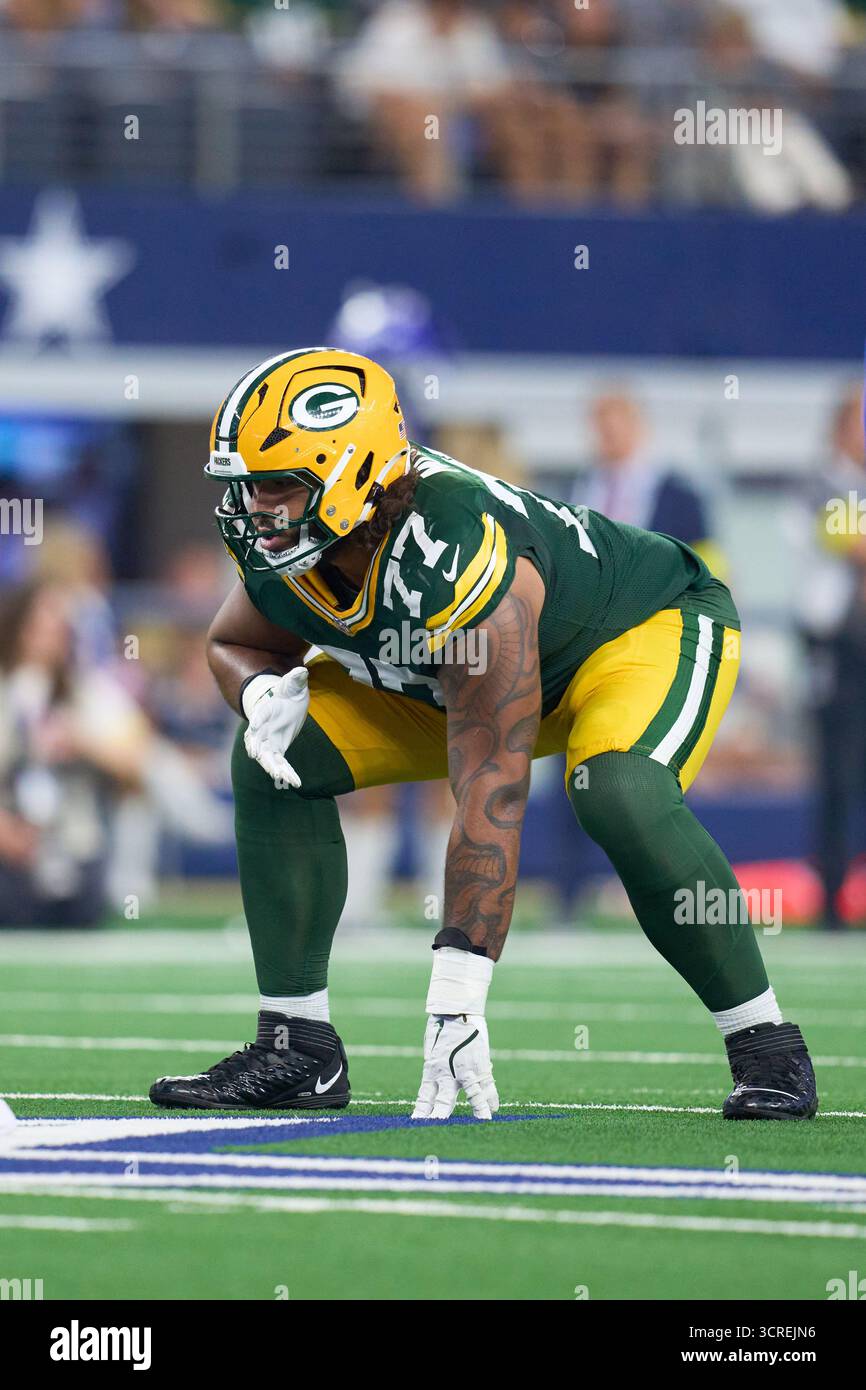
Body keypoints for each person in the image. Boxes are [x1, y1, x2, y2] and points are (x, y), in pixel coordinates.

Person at [150, 347, 818, 1121]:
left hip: (630, 635)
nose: (253, 507)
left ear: (350, 474)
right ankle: (297, 1048)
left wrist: (458, 997)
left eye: (275, 484)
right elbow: (235, 642)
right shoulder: (295, 538)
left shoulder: (455, 549)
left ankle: (765, 1043)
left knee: (617, 791)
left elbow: (491, 788)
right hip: (451, 673)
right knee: (275, 758)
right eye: (244, 484)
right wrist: (261, 692)